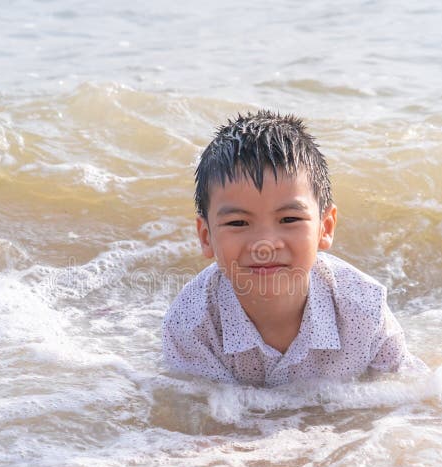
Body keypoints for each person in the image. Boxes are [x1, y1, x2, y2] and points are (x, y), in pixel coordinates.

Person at [162, 110, 427, 387]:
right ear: (206, 236)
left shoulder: (363, 309)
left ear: (325, 227)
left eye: (289, 219)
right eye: (238, 222)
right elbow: (203, 420)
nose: (265, 243)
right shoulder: (191, 325)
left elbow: (406, 398)